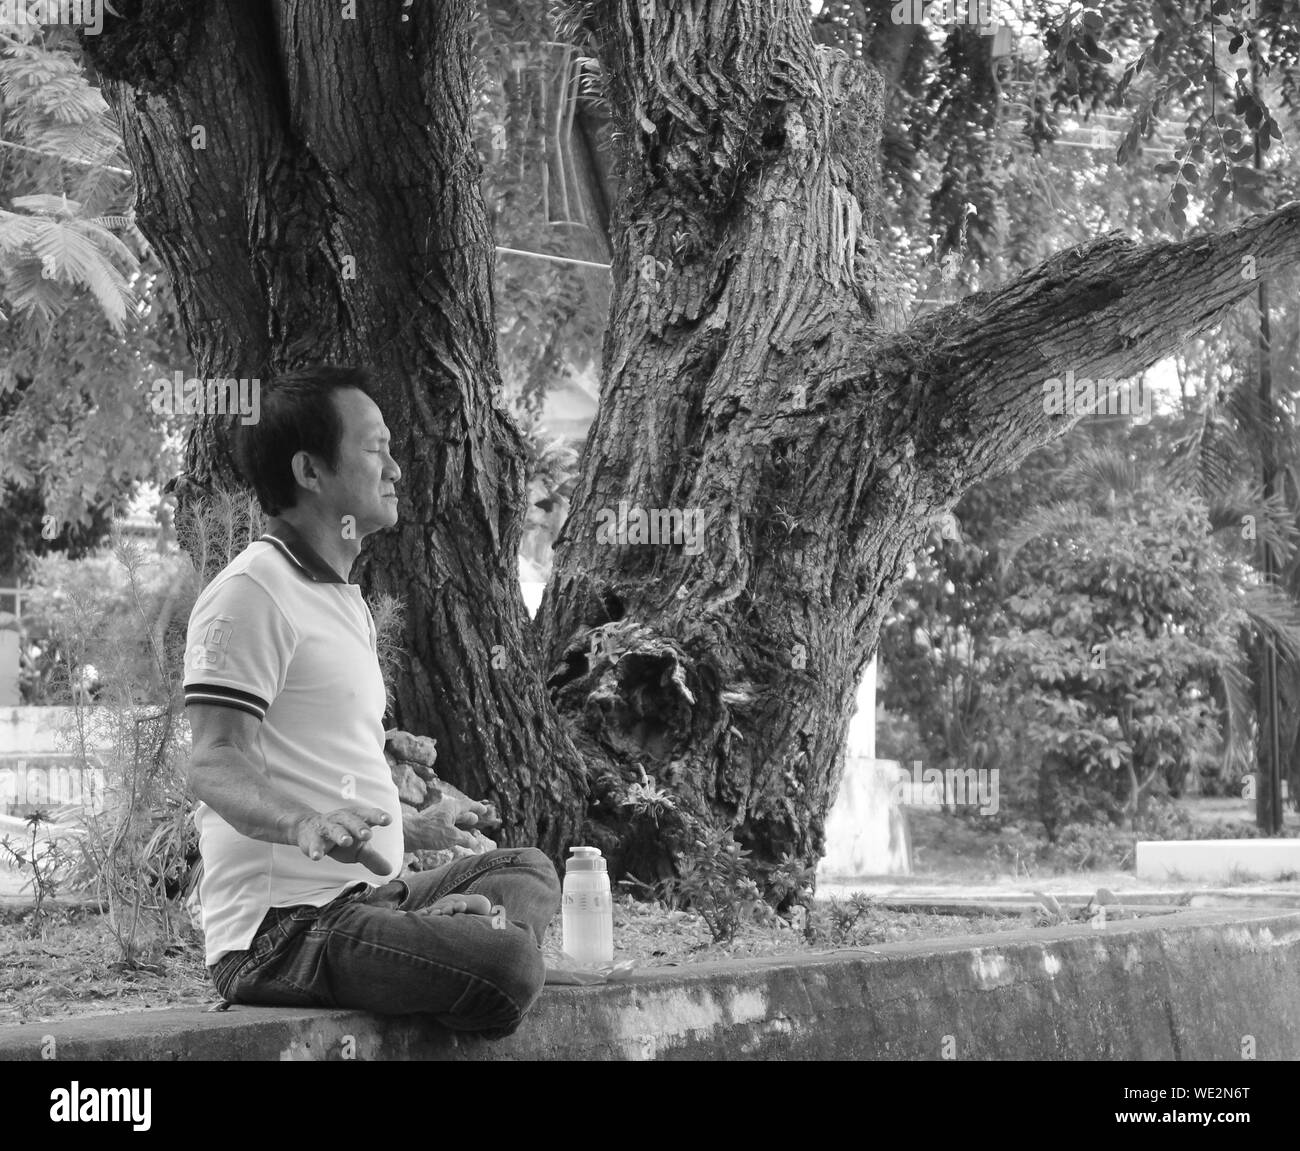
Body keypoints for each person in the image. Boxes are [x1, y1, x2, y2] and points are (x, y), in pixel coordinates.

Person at [183, 364, 560, 1038]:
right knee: (505, 963)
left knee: (526, 869)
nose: (396, 468)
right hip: (280, 932)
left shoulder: (338, 596)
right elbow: (213, 762)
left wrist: (412, 826)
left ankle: (442, 934)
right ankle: (470, 945)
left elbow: (321, 763)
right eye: (374, 447)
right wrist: (303, 823)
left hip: (362, 899)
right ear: (310, 470)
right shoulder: (251, 592)